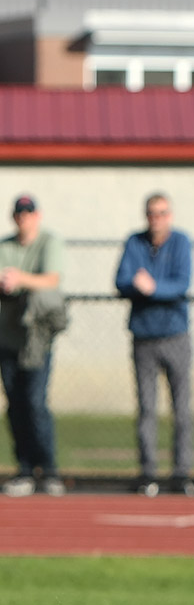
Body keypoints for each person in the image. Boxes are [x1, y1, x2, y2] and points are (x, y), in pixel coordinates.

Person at [114, 192, 194, 498]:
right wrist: (139, 286)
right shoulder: (134, 242)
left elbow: (182, 284)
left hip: (176, 335)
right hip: (143, 337)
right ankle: (148, 473)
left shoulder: (181, 242)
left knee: (182, 410)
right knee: (147, 409)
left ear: (169, 215)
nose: (156, 219)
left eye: (162, 213)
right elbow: (122, 280)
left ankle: (181, 473)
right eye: (151, 213)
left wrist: (153, 288)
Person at [0, 195, 67, 498]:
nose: (24, 218)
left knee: (35, 403)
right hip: (7, 339)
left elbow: (51, 279)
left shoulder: (49, 242)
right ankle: (25, 468)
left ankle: (48, 467)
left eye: (28, 213)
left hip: (36, 342)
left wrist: (21, 279)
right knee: (15, 406)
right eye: (19, 213)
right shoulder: (5, 247)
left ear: (37, 216)